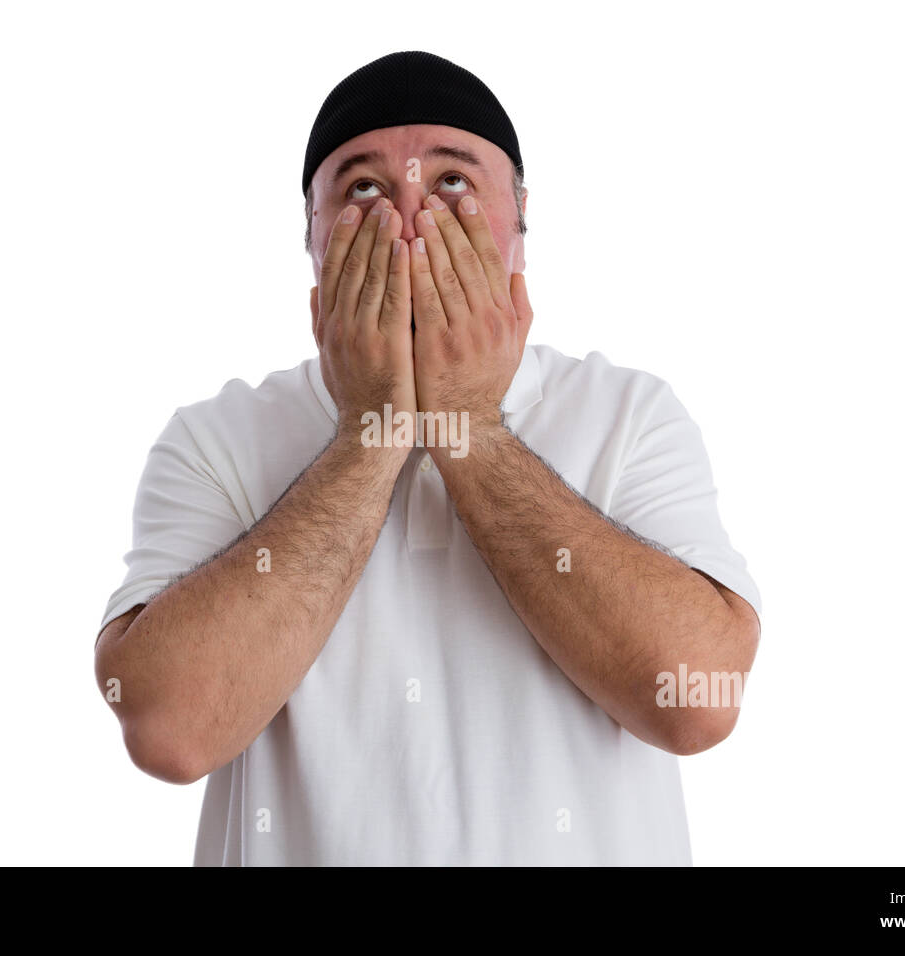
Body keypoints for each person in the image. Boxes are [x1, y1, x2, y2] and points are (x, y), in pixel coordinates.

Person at [94, 51, 761, 866]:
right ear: (311, 240)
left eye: (452, 183)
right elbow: (169, 730)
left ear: (519, 222)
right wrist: (369, 433)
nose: (408, 218)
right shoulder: (216, 437)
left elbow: (695, 704)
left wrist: (469, 426)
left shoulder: (629, 416)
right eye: (364, 189)